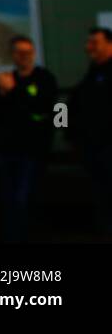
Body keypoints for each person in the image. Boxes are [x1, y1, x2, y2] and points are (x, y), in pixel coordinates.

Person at [0, 35, 57, 242]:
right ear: (12, 54)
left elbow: (42, 109)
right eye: (19, 52)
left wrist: (13, 92)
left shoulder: (44, 79)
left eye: (28, 52)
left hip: (32, 151)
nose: (24, 56)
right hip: (6, 151)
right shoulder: (7, 80)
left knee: (24, 199)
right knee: (8, 200)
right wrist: (2, 93)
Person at [70, 26, 112, 235]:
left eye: (94, 42)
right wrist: (66, 131)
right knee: (101, 197)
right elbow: (66, 106)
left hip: (107, 148)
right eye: (88, 43)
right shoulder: (91, 75)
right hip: (93, 150)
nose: (89, 47)